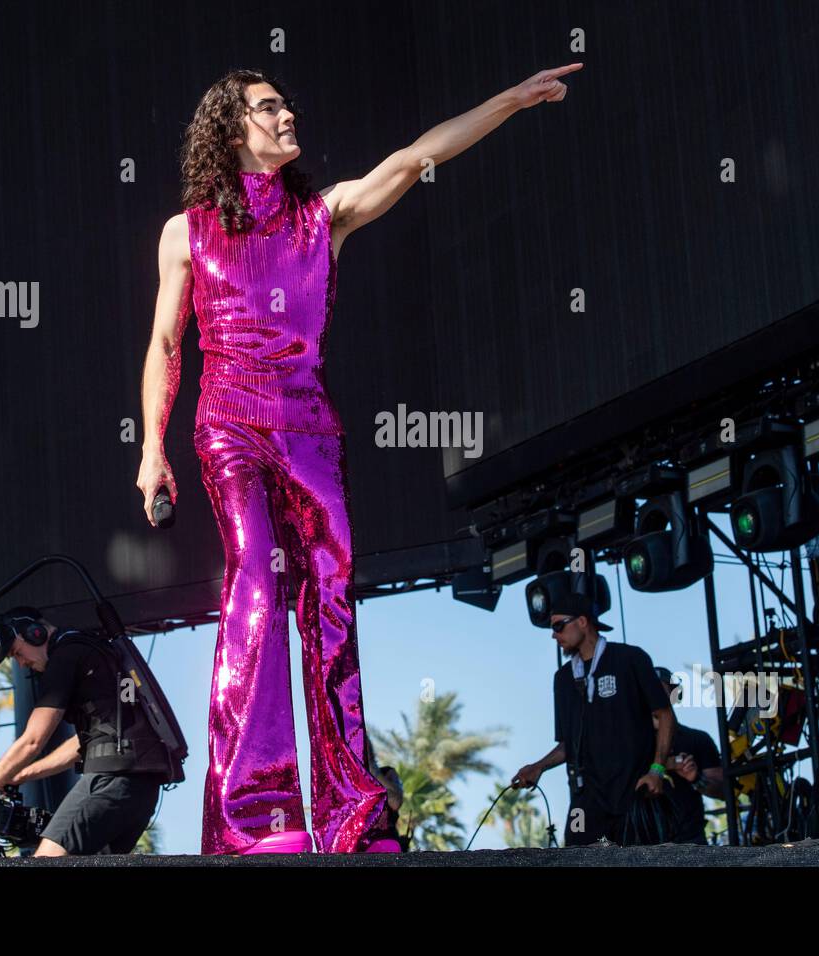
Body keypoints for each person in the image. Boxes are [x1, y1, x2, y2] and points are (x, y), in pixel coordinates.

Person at [135, 64, 584, 854]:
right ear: (231, 129)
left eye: (286, 103)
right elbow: (167, 343)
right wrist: (151, 448)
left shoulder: (324, 215)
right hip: (230, 423)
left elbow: (414, 157)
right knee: (256, 579)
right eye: (269, 107)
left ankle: (350, 813)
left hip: (310, 428)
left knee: (332, 603)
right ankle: (260, 815)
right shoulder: (188, 230)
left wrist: (510, 99)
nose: (287, 113)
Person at [0, 607, 170, 856]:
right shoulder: (89, 648)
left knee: (45, 860)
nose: (21, 663)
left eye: (17, 653)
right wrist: (23, 773)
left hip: (112, 779)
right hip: (142, 788)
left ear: (34, 634)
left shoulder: (65, 655)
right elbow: (84, 742)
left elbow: (32, 741)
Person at [512, 591, 676, 846]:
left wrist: (657, 769)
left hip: (633, 791)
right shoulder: (563, 678)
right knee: (577, 858)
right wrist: (538, 766)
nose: (554, 635)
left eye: (558, 626)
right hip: (587, 799)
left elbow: (665, 715)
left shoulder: (630, 658)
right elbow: (568, 744)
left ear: (583, 622)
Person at [655, 666, 723, 845]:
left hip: (691, 843)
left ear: (675, 694)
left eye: (660, 689)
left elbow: (725, 790)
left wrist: (696, 779)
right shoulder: (629, 744)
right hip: (642, 846)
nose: (653, 695)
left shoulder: (697, 739)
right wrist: (666, 764)